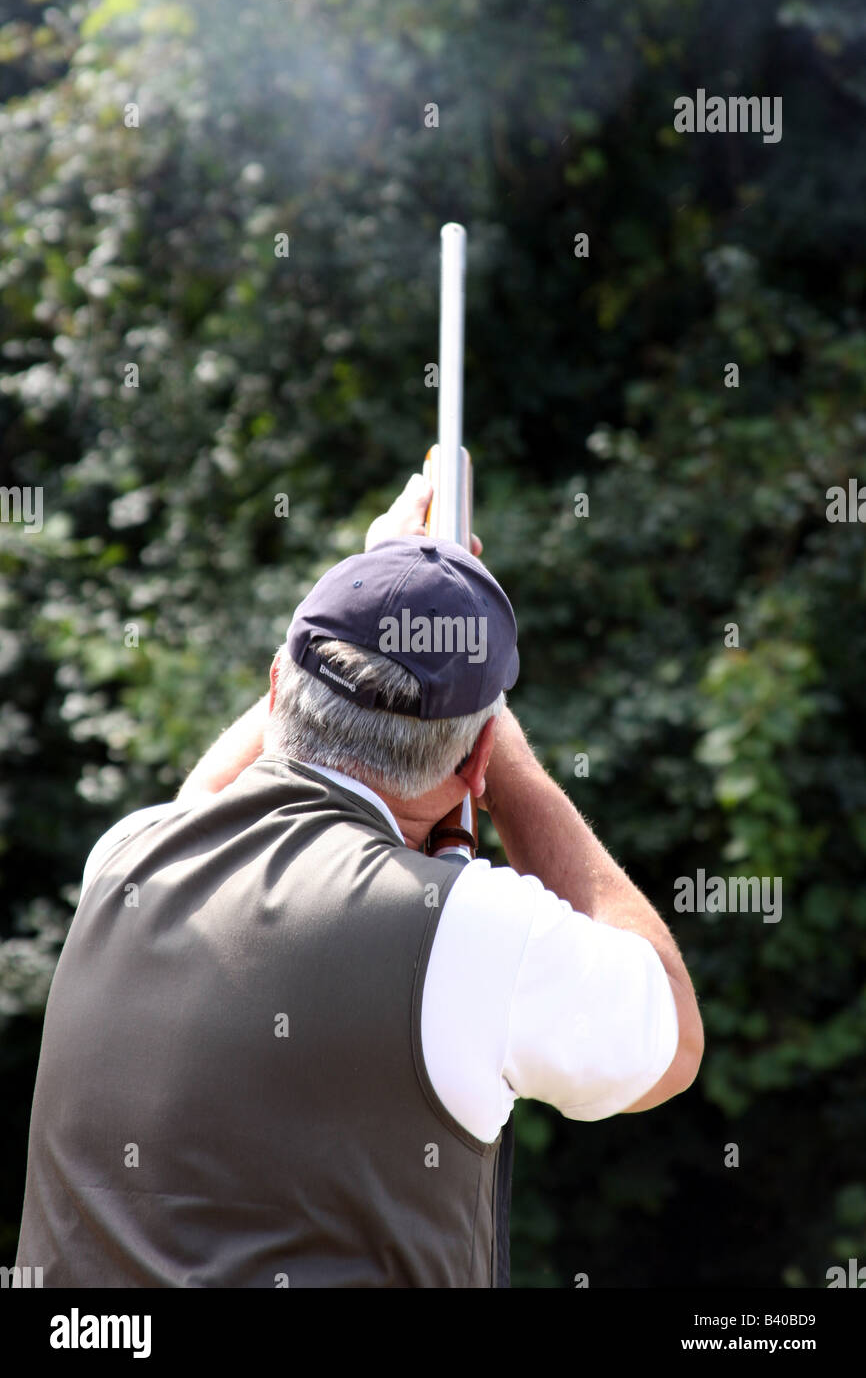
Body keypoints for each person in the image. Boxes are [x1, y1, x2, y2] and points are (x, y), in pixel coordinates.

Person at [15, 475, 703, 1288]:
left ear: (276, 686)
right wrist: (499, 747)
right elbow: (671, 1041)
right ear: (475, 761)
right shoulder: (469, 930)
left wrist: (372, 581)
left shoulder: (124, 860)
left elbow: (208, 802)